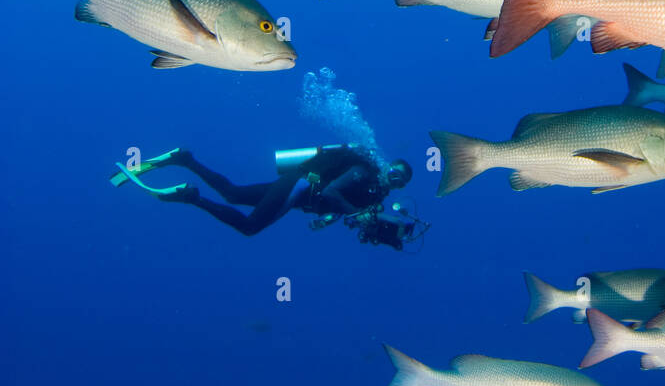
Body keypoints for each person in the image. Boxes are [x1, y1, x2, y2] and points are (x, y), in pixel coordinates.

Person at [110, 144, 427, 249]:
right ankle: (189, 196)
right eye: (394, 172)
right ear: (386, 168)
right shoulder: (364, 173)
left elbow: (335, 202)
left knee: (232, 193)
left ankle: (185, 159)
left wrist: (332, 218)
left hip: (298, 192)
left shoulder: (374, 195)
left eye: (401, 180)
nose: (394, 179)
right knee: (249, 228)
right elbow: (331, 190)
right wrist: (349, 212)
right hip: (298, 187)